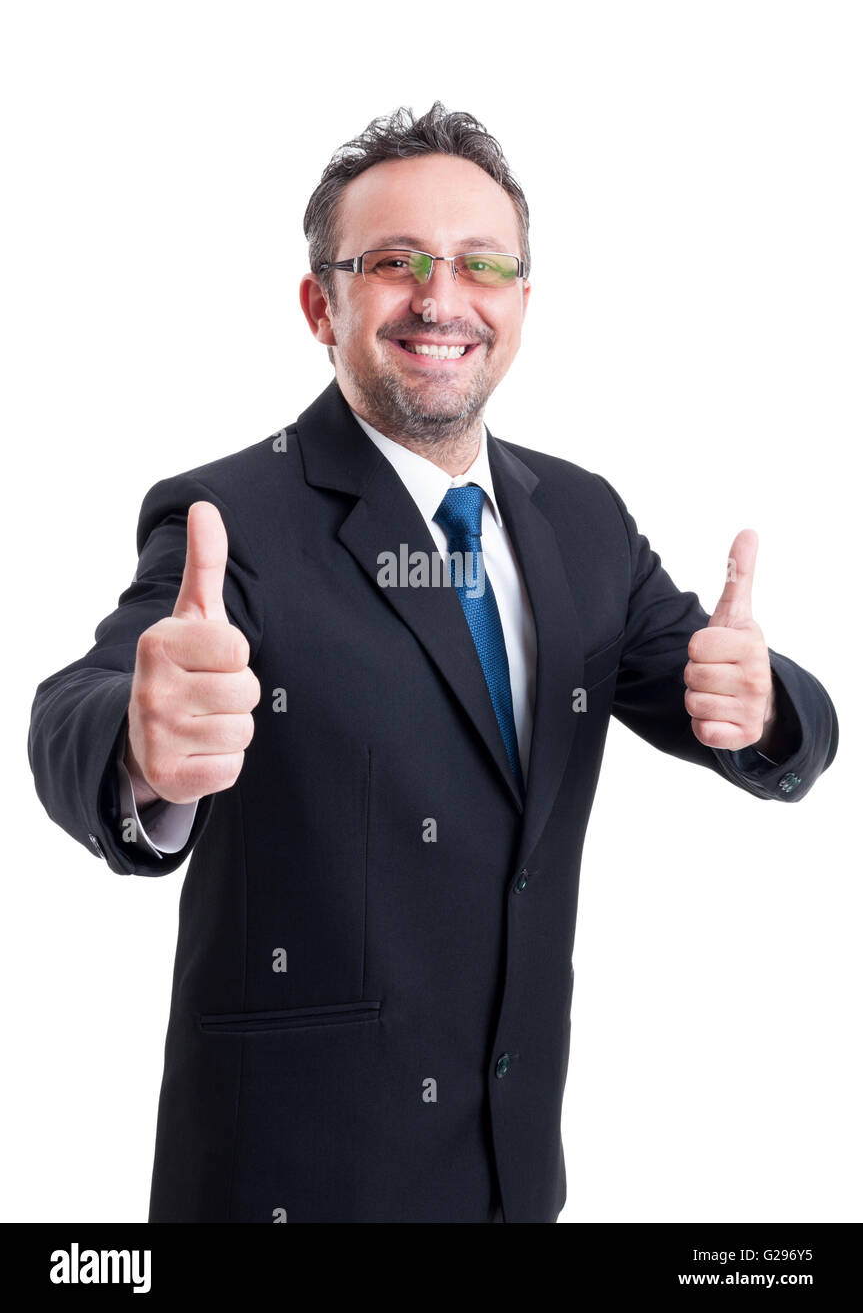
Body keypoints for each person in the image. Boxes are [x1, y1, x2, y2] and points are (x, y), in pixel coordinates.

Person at [28, 101, 838, 1224]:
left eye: (481, 263)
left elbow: (717, 678)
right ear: (323, 304)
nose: (441, 299)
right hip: (295, 1183)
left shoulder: (583, 518)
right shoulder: (234, 520)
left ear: (518, 301)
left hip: (510, 1178)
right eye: (394, 262)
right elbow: (81, 701)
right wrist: (134, 744)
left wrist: (766, 707)